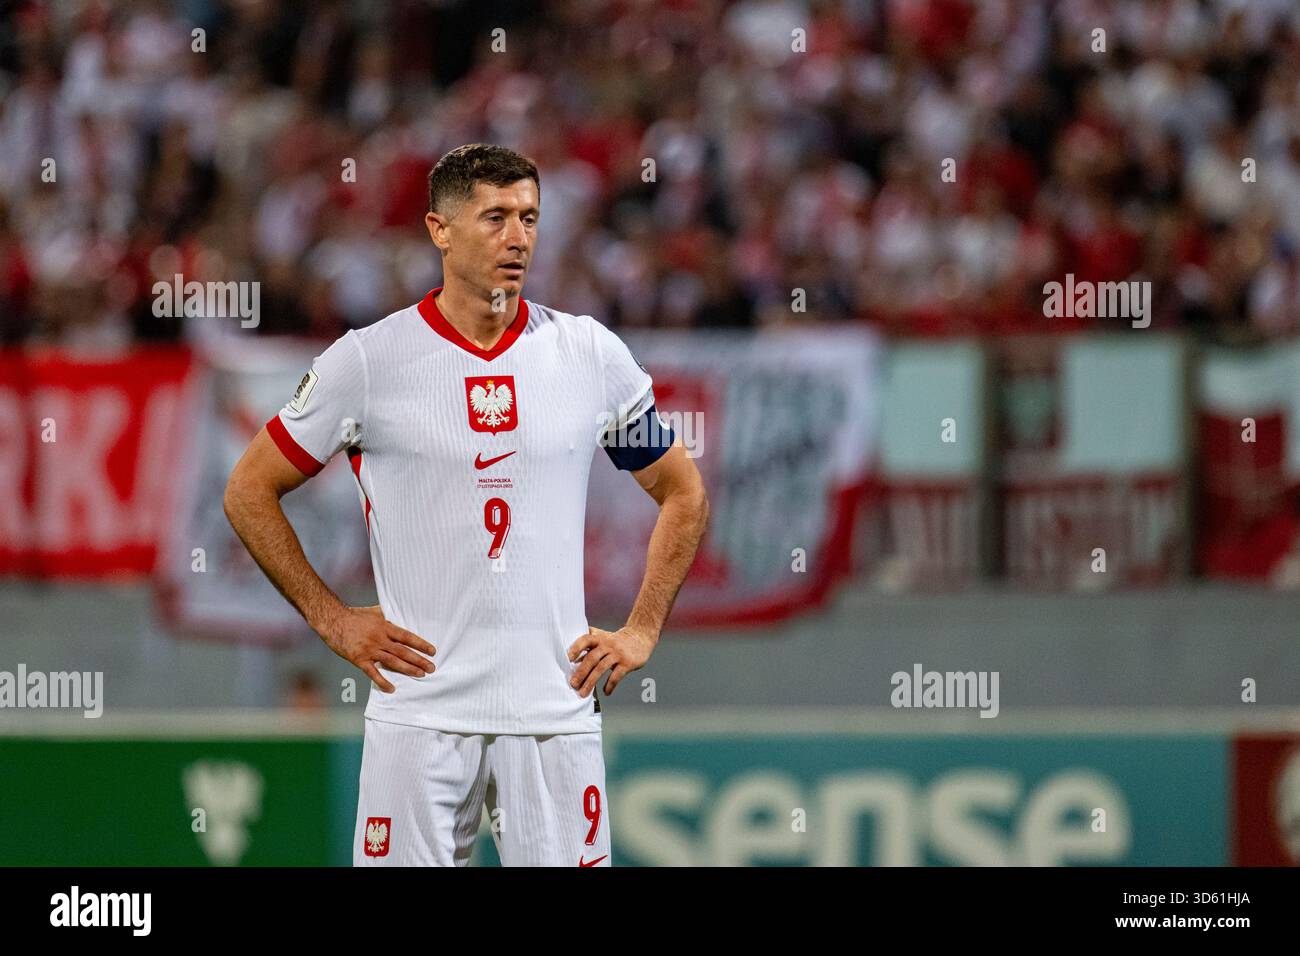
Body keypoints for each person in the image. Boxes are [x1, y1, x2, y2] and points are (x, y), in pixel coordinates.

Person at [223, 143, 710, 866]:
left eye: (529, 218)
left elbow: (683, 491)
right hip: (419, 716)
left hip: (553, 713)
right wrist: (332, 619)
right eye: (495, 218)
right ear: (439, 229)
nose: (517, 237)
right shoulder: (369, 361)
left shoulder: (587, 354)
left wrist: (641, 630)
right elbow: (248, 490)